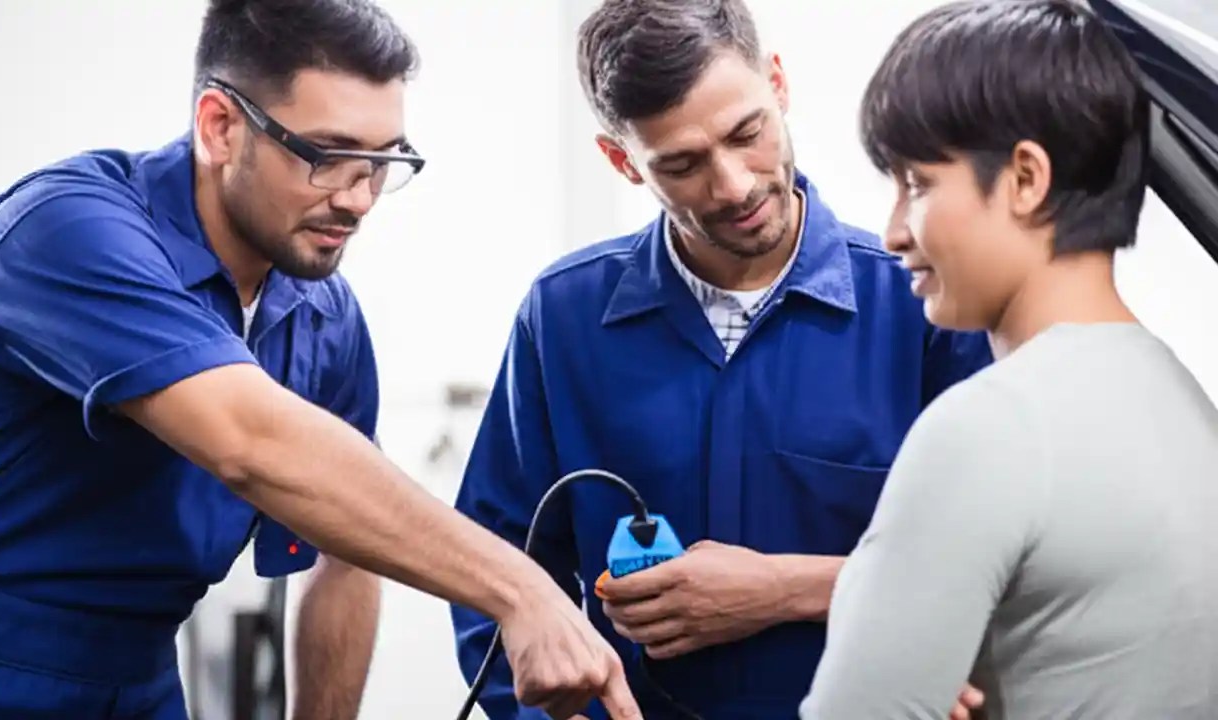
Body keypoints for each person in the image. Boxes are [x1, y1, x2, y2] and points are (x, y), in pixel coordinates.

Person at [0, 1, 643, 719]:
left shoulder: (324, 318)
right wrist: (520, 588)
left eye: (384, 161)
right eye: (328, 157)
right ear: (220, 127)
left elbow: (349, 544)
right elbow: (251, 441)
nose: (360, 198)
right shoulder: (69, 234)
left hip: (140, 681)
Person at [449, 1, 994, 717]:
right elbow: (495, 576)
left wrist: (777, 590)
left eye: (748, 133)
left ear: (778, 84)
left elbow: (999, 572)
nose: (734, 185)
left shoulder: (927, 305)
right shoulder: (562, 318)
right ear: (622, 161)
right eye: (681, 164)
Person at [800, 1, 1218, 718]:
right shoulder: (1187, 405)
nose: (895, 230)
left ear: (1026, 178)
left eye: (918, 183)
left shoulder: (988, 429)